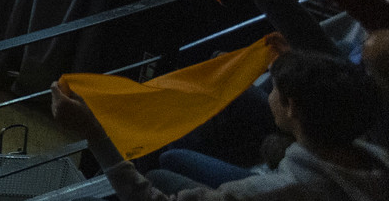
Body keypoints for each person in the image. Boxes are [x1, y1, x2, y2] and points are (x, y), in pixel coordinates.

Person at [53, 49, 389, 201]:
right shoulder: (375, 162)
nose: (268, 93)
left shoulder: (261, 194)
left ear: (292, 108)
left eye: (273, 89)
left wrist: (94, 131)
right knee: (172, 161)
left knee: (160, 172)